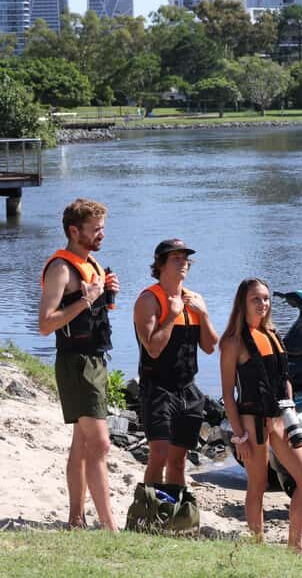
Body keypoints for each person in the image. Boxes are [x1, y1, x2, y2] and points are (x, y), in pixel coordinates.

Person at [38, 198, 119, 530]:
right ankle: (110, 527)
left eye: (102, 228)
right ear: (74, 231)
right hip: (75, 362)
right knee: (100, 443)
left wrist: (106, 295)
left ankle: (76, 519)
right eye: (95, 229)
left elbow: (95, 314)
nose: (102, 234)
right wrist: (87, 299)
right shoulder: (60, 268)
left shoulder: (92, 264)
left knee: (83, 443)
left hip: (95, 359)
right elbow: (45, 324)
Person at [220, 278, 302, 552]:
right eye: (256, 299)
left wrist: (291, 413)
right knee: (258, 484)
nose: (262, 303)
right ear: (243, 303)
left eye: (265, 298)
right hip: (252, 422)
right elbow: (228, 394)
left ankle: (294, 546)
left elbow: (284, 378)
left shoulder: (272, 334)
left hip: (280, 419)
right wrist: (240, 437)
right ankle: (258, 545)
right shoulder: (233, 342)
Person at [133, 239, 218, 487]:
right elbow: (153, 349)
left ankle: (174, 506)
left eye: (186, 259)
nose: (183, 263)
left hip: (188, 388)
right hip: (157, 387)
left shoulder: (195, 299)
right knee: (158, 456)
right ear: (160, 264)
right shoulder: (148, 299)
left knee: (179, 461)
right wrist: (171, 315)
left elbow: (210, 346)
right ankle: (150, 505)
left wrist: (203, 314)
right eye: (176, 258)